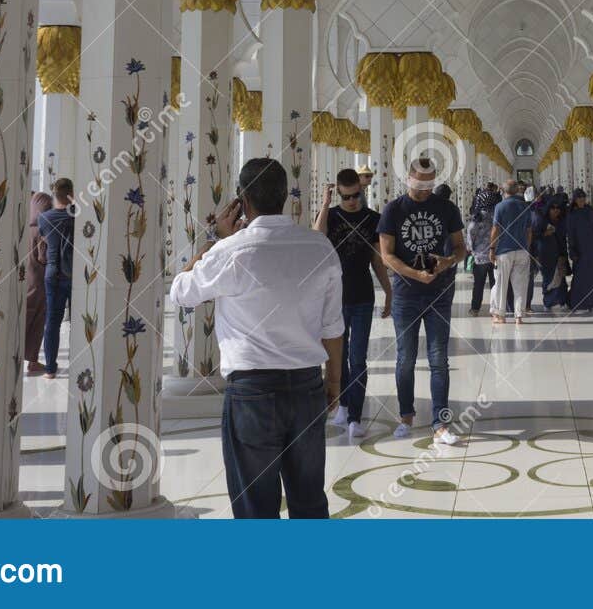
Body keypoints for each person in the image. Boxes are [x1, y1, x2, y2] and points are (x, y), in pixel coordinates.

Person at [171, 157, 345, 519]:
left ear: (243, 201)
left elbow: (181, 291)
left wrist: (215, 239)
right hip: (306, 387)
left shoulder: (231, 251)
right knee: (310, 500)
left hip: (251, 393)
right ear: (285, 197)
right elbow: (332, 327)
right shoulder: (318, 248)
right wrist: (333, 382)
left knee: (255, 507)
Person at [378, 156, 467, 445]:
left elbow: (460, 248)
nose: (425, 190)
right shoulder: (394, 210)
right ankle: (406, 416)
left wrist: (448, 261)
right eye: (420, 184)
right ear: (409, 179)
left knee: (439, 359)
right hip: (406, 294)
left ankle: (441, 424)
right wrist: (414, 274)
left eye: (430, 185)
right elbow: (387, 255)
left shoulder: (446, 208)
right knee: (405, 359)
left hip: (439, 293)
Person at [314, 168, 390, 437]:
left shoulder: (372, 219)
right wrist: (325, 204)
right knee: (338, 358)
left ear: (361, 190)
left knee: (358, 358)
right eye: (346, 197)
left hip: (362, 298)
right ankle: (343, 405)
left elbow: (377, 260)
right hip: (334, 300)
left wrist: (388, 292)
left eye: (356, 195)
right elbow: (317, 237)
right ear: (339, 193)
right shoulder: (331, 216)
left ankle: (356, 415)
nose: (352, 201)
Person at [36, 178, 77, 380]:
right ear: (71, 194)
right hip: (77, 275)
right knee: (79, 321)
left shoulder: (44, 218)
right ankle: (80, 363)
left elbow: (43, 239)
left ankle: (50, 369)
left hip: (53, 274)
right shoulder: (78, 215)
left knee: (53, 321)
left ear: (54, 195)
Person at [489, 179, 533, 324]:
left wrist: (492, 249)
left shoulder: (500, 207)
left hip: (504, 251)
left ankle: (500, 315)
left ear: (503, 191)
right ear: (517, 191)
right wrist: (527, 247)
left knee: (501, 283)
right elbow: (528, 230)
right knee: (520, 284)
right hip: (522, 250)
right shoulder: (525, 206)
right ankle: (519, 316)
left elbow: (495, 230)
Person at [24, 190, 50, 375]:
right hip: (40, 277)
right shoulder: (42, 229)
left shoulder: (24, 227)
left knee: (26, 314)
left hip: (26, 276)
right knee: (37, 317)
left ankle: (25, 358)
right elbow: (43, 257)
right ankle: (32, 361)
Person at [564, 189, 593, 313]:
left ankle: (590, 303)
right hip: (579, 250)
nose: (581, 200)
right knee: (580, 278)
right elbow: (570, 235)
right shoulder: (572, 215)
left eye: (583, 197)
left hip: (592, 249)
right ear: (574, 200)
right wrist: (572, 251)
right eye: (579, 198)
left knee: (591, 278)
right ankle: (576, 303)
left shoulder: (590, 211)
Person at [465, 186, 498, 316]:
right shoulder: (497, 216)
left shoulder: (477, 217)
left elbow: (470, 234)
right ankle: (496, 308)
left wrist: (472, 250)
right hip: (495, 254)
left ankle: (475, 308)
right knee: (495, 284)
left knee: (478, 284)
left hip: (479, 257)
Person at [535, 199, 570, 311]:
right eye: (553, 208)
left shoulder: (561, 221)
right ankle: (549, 302)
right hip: (546, 255)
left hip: (560, 253)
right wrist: (545, 233)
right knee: (549, 279)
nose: (555, 210)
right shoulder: (542, 220)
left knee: (561, 278)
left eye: (557, 208)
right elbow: (534, 236)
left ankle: (561, 300)